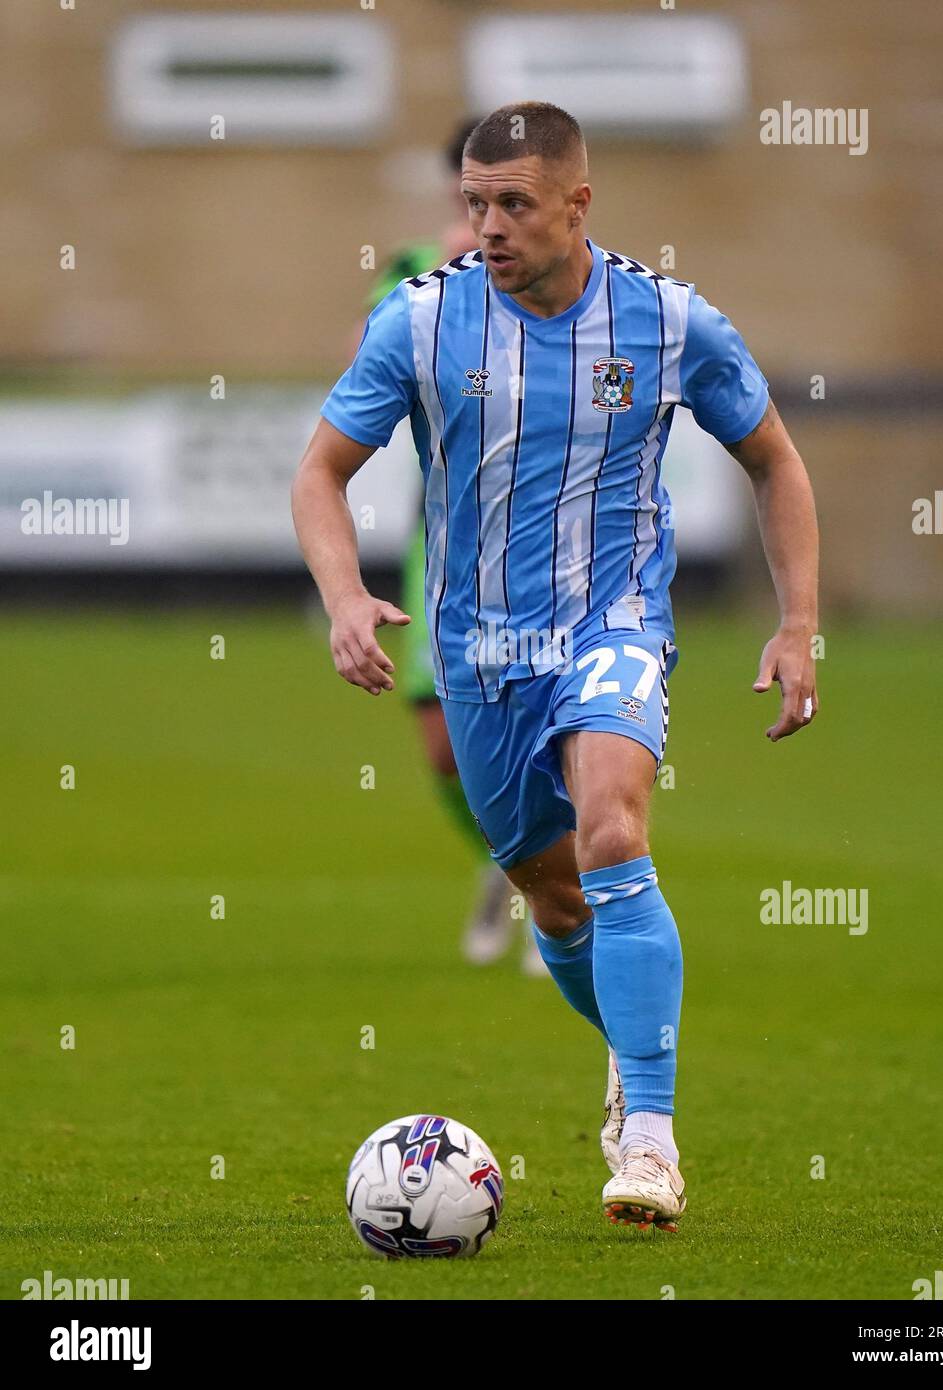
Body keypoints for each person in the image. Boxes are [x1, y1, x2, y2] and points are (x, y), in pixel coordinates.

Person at [292, 101, 820, 1231]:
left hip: (611, 625)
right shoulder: (421, 320)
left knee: (613, 833)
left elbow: (773, 458)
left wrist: (797, 623)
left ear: (577, 205)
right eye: (475, 203)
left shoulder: (666, 321)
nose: (487, 226)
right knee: (554, 893)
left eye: (514, 205)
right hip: (478, 652)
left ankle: (651, 1140)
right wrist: (343, 599)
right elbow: (320, 472)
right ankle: (629, 1049)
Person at [344, 120, 543, 973]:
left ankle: (558, 887)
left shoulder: (551, 267)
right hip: (449, 539)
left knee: (550, 723)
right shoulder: (416, 266)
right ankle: (511, 861)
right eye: (474, 190)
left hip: (548, 533)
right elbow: (364, 369)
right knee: (441, 740)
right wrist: (445, 276)